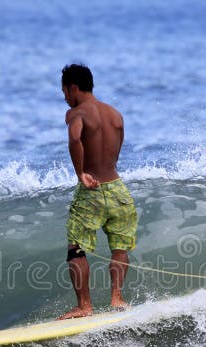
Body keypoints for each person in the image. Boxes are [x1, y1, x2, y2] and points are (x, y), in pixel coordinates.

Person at [58, 64, 138, 320]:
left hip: (92, 190)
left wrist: (81, 173)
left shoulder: (76, 112)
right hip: (118, 188)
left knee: (76, 248)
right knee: (120, 246)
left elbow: (74, 139)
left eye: (64, 91)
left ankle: (84, 306)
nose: (65, 97)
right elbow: (115, 152)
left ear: (72, 87)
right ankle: (117, 298)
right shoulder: (116, 115)